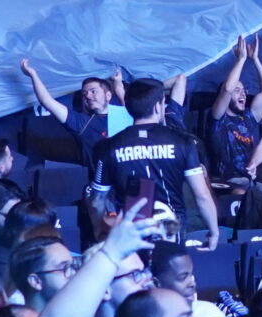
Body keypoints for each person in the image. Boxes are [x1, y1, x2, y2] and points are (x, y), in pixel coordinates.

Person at [88, 77, 221, 247]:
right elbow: (202, 196)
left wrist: (99, 229)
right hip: (172, 230)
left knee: (136, 274)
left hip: (130, 233)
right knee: (170, 272)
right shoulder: (182, 142)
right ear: (158, 106)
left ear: (128, 108)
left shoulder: (107, 146)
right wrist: (214, 232)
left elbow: (97, 200)